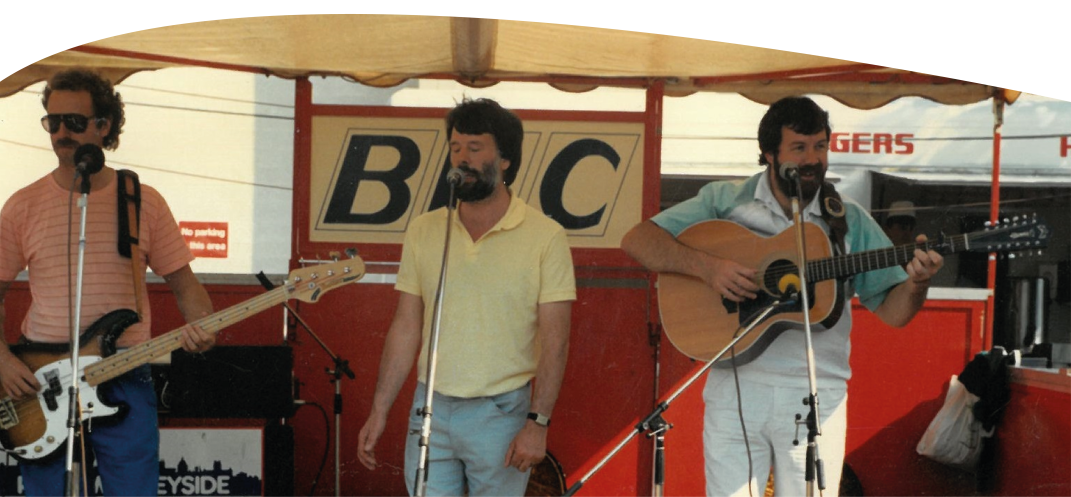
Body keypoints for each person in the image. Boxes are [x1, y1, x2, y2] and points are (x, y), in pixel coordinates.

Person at [620, 96, 943, 497]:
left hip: (815, 392)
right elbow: (638, 239)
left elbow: (894, 313)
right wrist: (709, 268)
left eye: (821, 146)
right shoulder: (725, 202)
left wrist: (917, 284)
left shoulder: (847, 220)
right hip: (735, 385)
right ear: (769, 154)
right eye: (799, 148)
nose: (813, 159)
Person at [0, 68, 216, 497]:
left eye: (76, 122)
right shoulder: (22, 205)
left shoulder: (144, 201)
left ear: (105, 126)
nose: (62, 132)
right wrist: (3, 360)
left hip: (123, 371)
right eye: (54, 122)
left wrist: (203, 325)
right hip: (40, 378)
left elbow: (184, 283)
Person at [356, 98, 577, 497]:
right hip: (431, 407)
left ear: (505, 159)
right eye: (456, 148)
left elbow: (556, 341)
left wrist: (537, 424)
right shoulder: (426, 230)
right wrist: (380, 408)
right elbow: (406, 325)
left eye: (475, 149)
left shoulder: (545, 236)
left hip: (501, 412)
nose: (462, 158)